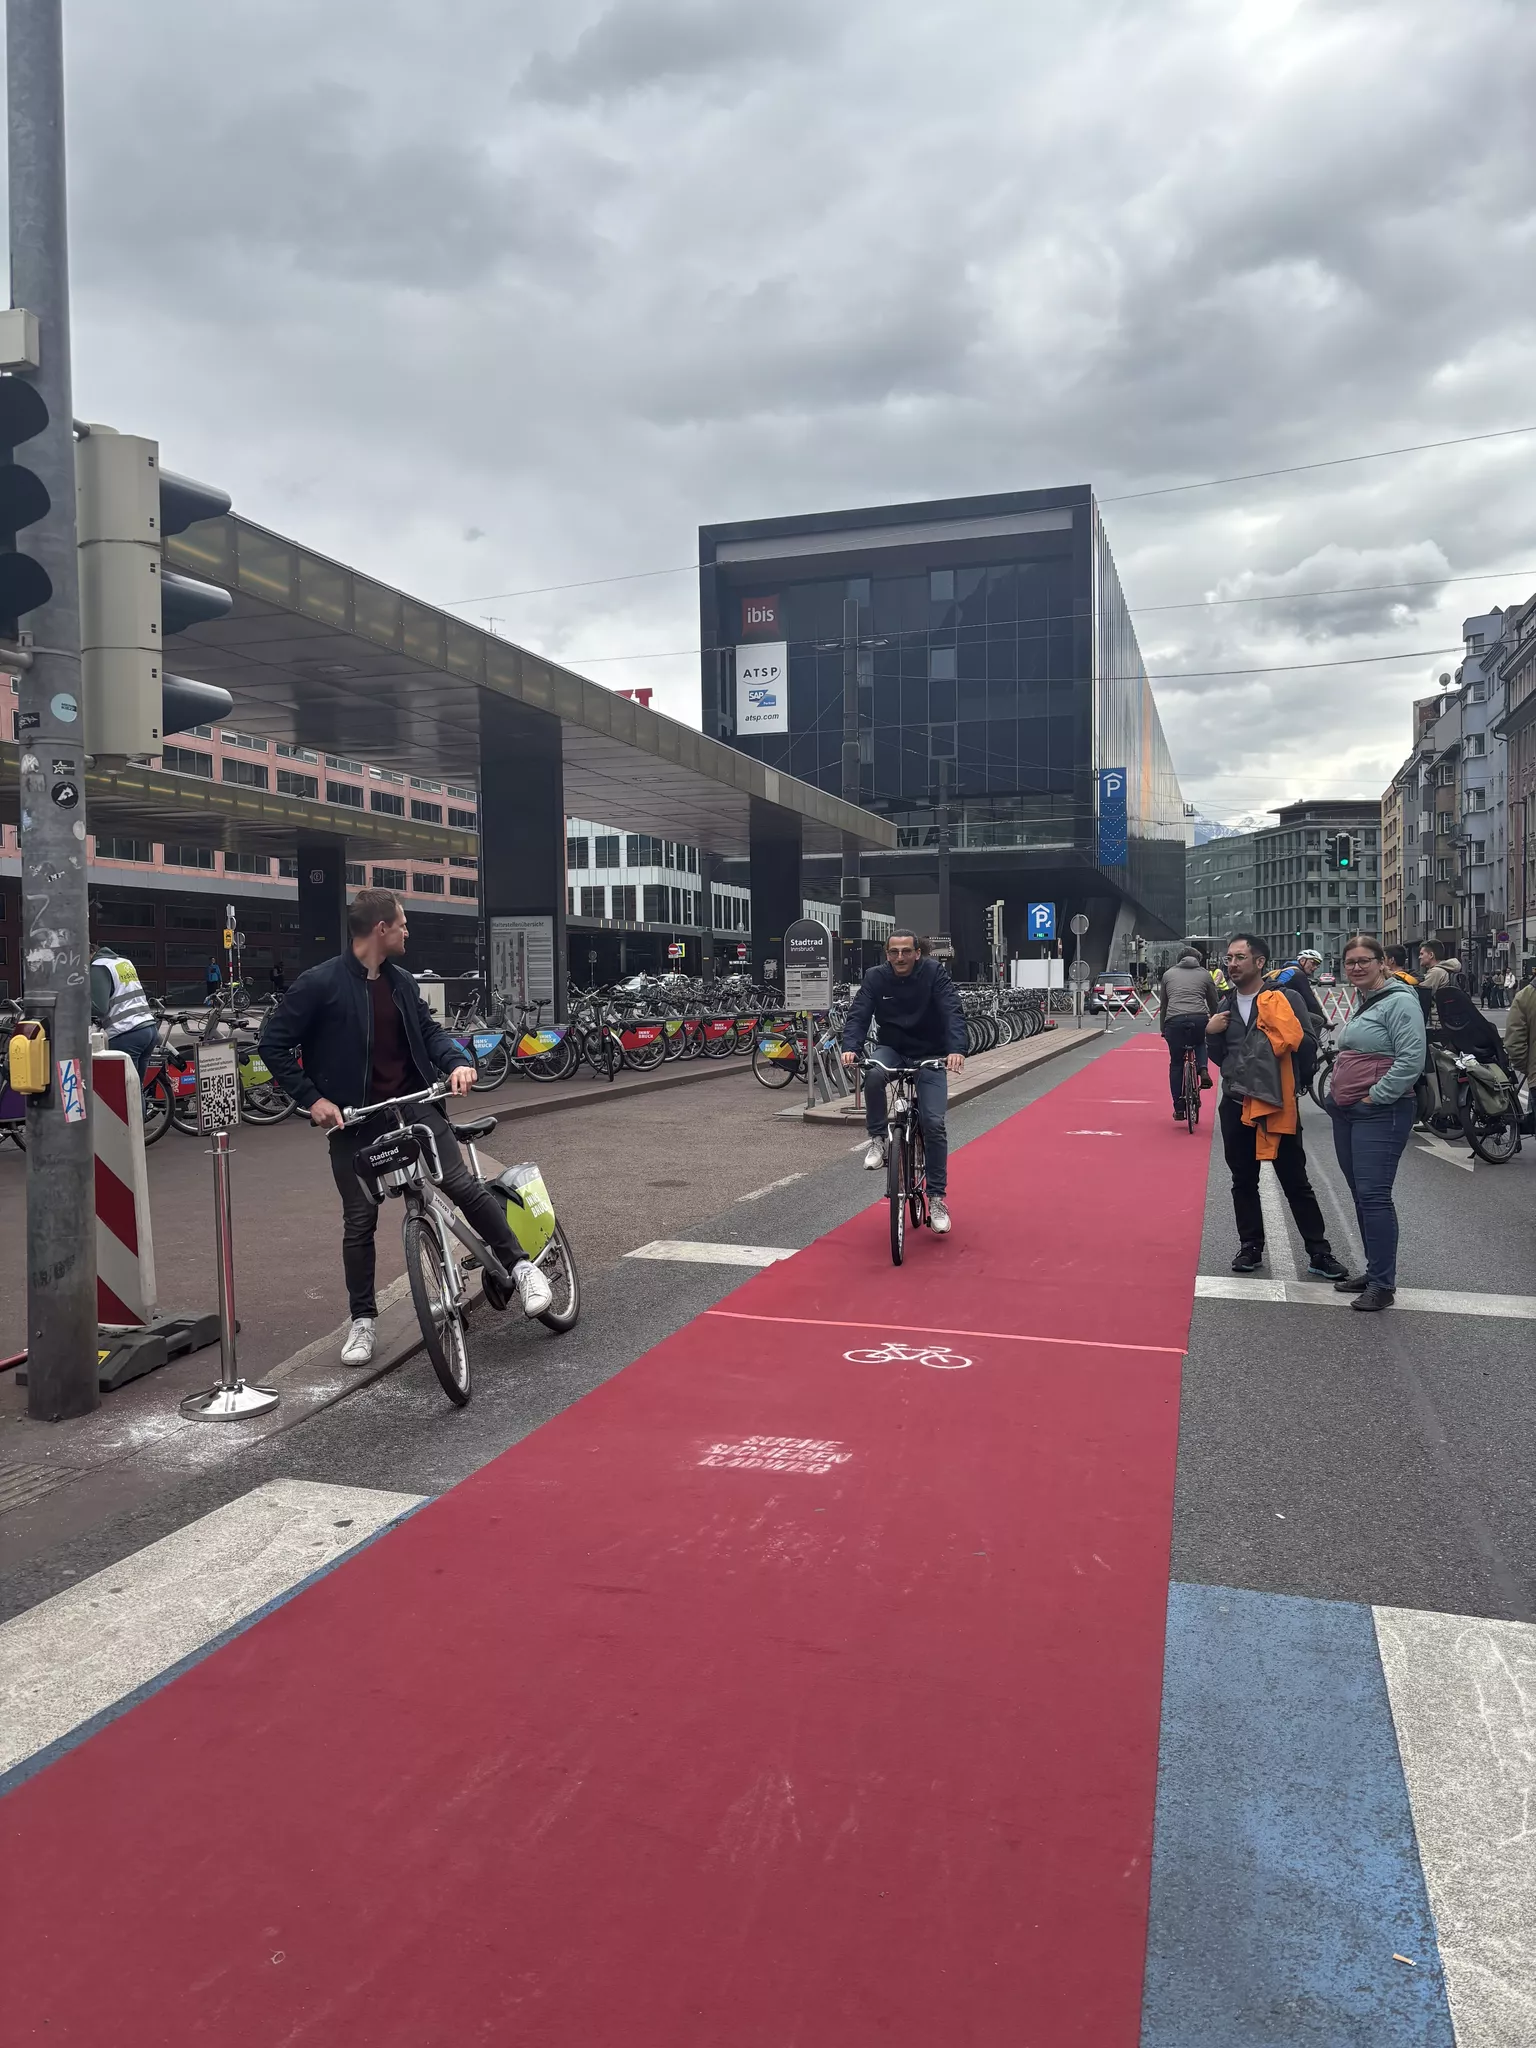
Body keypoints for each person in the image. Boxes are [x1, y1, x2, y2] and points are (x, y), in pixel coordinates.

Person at [259, 888, 551, 1364]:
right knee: (359, 1221)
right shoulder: (319, 984)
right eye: (402, 924)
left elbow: (431, 1033)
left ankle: (521, 1268)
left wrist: (457, 1063)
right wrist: (313, 1099)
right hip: (355, 1122)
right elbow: (272, 1046)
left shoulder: (401, 982)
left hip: (413, 1106)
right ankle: (362, 1322)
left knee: (460, 1184)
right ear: (381, 929)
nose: (407, 931)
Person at [1206, 932, 1346, 1280]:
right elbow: (1220, 1057)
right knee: (1243, 1180)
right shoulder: (1224, 1006)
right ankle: (1250, 1246)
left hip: (1277, 1102)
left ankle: (1319, 1251)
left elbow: (1307, 1044)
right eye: (1229, 958)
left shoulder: (1285, 998)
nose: (1232, 964)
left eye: (1239, 957)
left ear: (1259, 962)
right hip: (1236, 1103)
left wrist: (1290, 1084)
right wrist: (1211, 1031)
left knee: (1295, 1179)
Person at [1322, 934, 1428, 1313]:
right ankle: (1374, 1270)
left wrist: (1374, 1098)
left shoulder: (1400, 1001)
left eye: (1365, 960)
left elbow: (1411, 1059)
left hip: (1381, 1112)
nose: (1356, 967)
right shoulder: (1366, 1001)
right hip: (1349, 1111)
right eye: (1350, 962)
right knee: (1360, 1195)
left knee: (1374, 1196)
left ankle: (1383, 1284)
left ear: (1383, 962)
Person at [840, 926, 966, 1235]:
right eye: (894, 952)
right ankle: (878, 1140)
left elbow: (952, 1010)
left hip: (930, 1053)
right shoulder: (875, 977)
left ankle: (936, 1197)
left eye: (906, 951)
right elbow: (859, 1014)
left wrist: (956, 1050)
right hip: (893, 1049)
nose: (900, 957)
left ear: (917, 953)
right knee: (872, 1075)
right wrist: (850, 1048)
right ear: (887, 955)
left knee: (934, 1123)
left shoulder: (934, 973)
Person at [1158, 948, 1219, 1118]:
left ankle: (1178, 1107)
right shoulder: (1205, 974)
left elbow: (1164, 1004)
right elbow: (1213, 1001)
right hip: (1199, 1018)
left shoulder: (1168, 974)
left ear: (1179, 959)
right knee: (1200, 1041)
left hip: (1174, 1021)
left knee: (1176, 1063)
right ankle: (1203, 1069)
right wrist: (1214, 1018)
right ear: (1199, 959)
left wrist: (1163, 1028)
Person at [90, 943, 156, 1077]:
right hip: (149, 1029)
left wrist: (74, 1006)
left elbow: (99, 1008)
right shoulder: (124, 962)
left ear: (89, 954)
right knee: (136, 1090)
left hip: (126, 1034)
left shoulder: (99, 966)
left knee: (123, 1093)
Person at [1266, 947, 1326, 1023]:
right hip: (1278, 1011)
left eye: (1317, 965)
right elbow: (1311, 1001)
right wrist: (1325, 1021)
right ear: (1302, 960)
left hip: (1272, 1008)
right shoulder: (1298, 974)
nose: (1314, 967)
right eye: (1313, 963)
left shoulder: (1288, 970)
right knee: (1318, 1020)